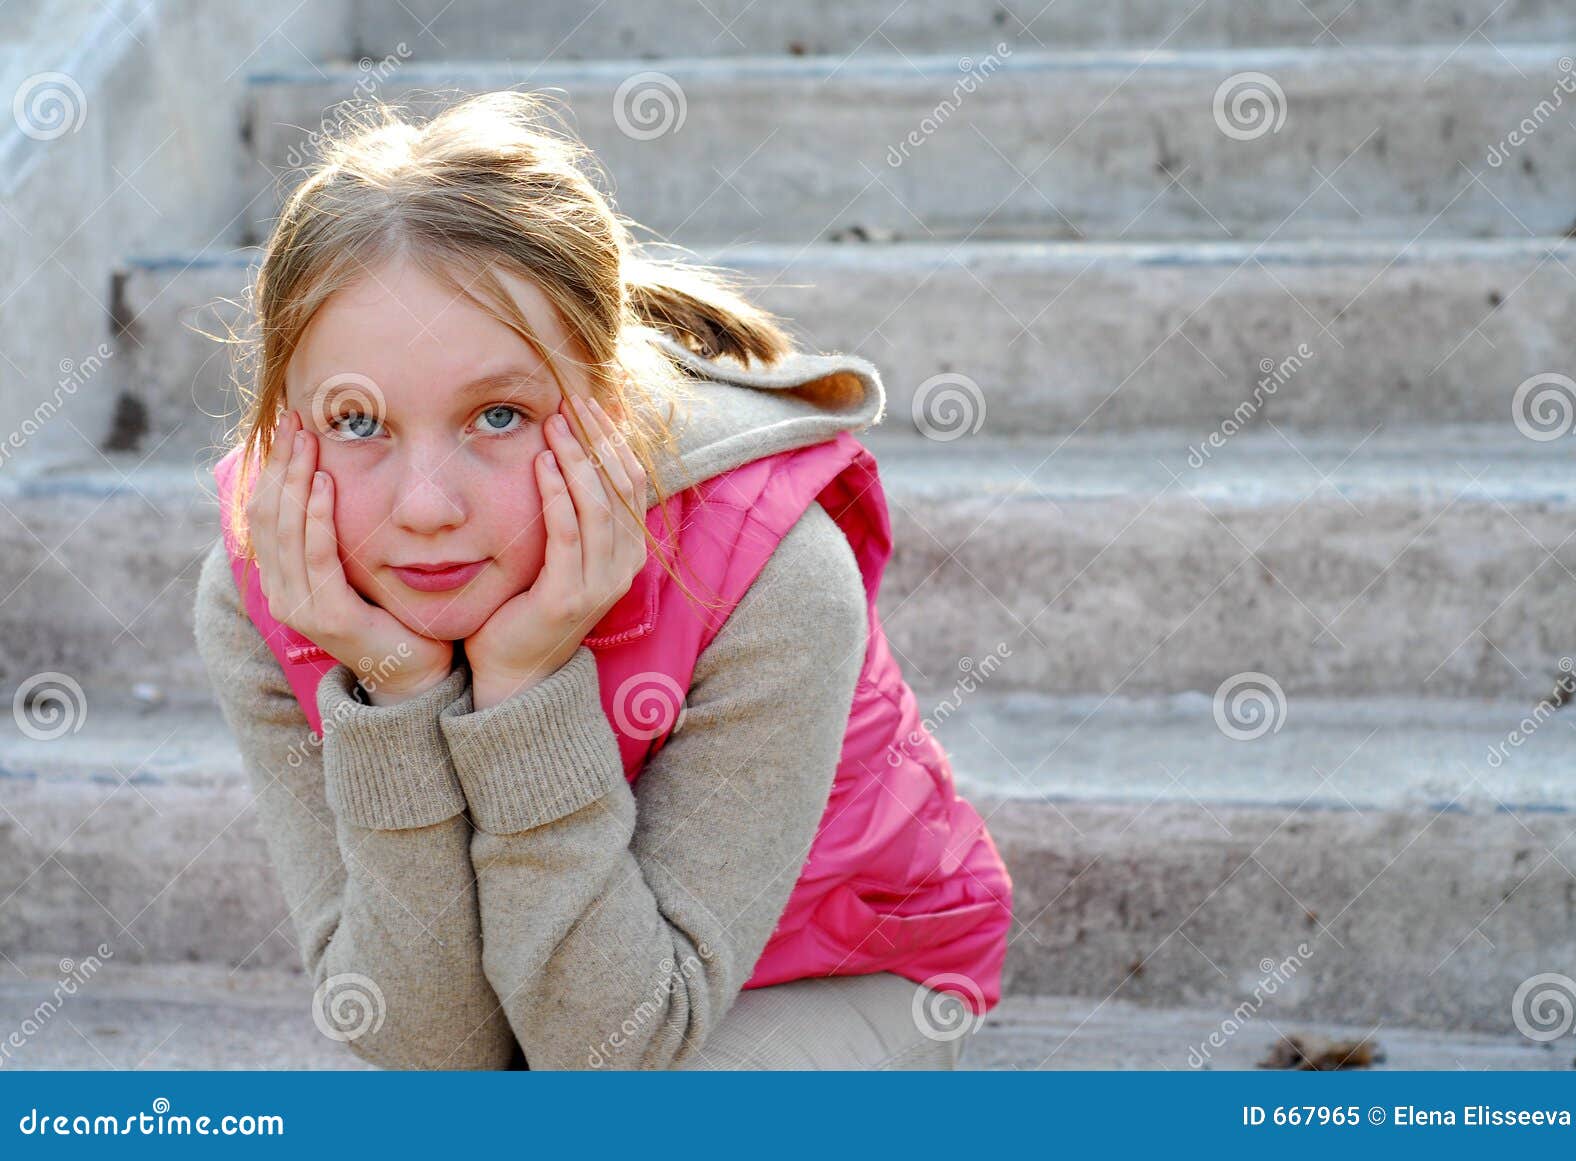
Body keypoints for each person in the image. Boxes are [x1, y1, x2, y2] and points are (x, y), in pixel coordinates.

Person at [192, 89, 1012, 1070]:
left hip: (830, 969)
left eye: (498, 415)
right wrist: (395, 688)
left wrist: (524, 691)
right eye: (357, 422)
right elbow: (424, 1045)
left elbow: (617, 1050)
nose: (425, 507)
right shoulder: (275, 588)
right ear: (285, 420)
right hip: (548, 994)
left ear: (606, 398)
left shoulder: (765, 572)